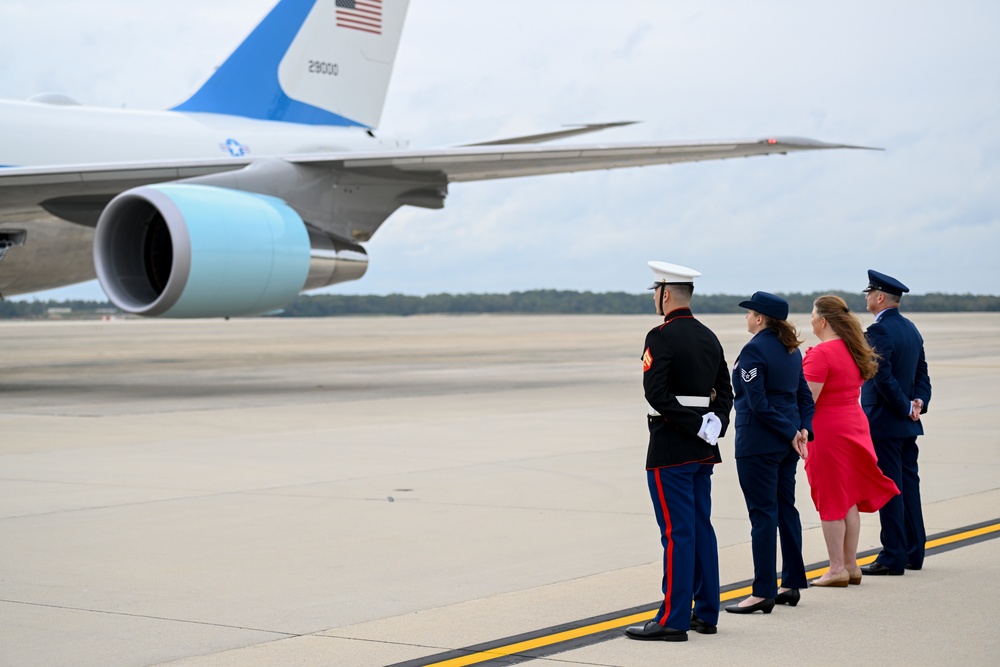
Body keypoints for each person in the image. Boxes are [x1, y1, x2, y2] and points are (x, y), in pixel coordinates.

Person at [625, 261, 734, 642]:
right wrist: (715, 422)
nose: (654, 299)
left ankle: (673, 619)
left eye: (655, 292)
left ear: (666, 294)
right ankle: (706, 612)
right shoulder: (709, 336)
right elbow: (726, 390)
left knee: (677, 534)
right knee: (700, 529)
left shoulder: (660, 336)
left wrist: (694, 424)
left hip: (671, 447)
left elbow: (655, 393)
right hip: (703, 449)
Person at [802, 295, 900, 587]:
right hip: (854, 425)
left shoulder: (821, 354)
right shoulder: (852, 348)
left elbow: (807, 402)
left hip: (828, 431)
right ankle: (850, 564)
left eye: (812, 315)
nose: (810, 320)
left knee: (831, 499)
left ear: (823, 321)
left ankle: (836, 569)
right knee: (848, 500)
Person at [726, 292, 814, 614]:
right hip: (787, 444)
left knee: (763, 515)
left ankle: (763, 591)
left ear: (760, 318)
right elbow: (804, 397)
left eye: (749, 313)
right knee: (786, 509)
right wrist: (802, 430)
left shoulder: (754, 350)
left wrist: (792, 432)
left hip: (759, 444)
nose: (746, 318)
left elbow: (757, 403)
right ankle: (791, 584)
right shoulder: (791, 350)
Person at [859, 270, 932, 576]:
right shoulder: (910, 328)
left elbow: (881, 376)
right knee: (908, 487)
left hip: (886, 422)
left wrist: (905, 406)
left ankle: (892, 556)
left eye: (869, 293)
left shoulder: (878, 331)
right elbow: (921, 372)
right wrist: (919, 402)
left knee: (889, 488)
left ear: (880, 298)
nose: (866, 298)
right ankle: (913, 552)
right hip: (906, 423)